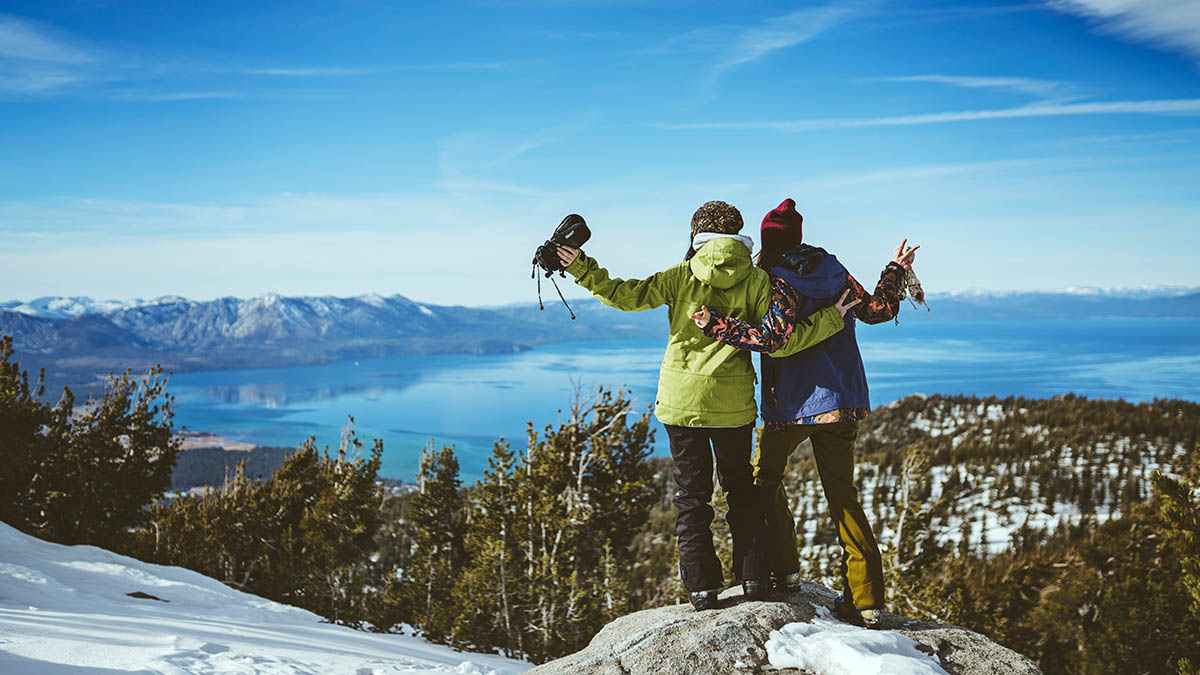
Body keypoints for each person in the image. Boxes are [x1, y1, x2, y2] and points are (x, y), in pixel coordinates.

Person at [553, 200, 858, 611]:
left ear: (697, 234)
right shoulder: (757, 280)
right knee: (741, 491)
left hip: (682, 404)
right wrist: (831, 319)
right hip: (732, 407)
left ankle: (702, 588)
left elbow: (623, 295)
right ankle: (752, 579)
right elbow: (780, 341)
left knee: (691, 497)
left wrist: (580, 266)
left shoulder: (681, 275)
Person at [690, 197, 917, 626]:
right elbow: (879, 311)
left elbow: (772, 338)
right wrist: (895, 271)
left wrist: (716, 324)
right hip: (842, 401)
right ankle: (865, 600)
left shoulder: (773, 279)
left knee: (766, 480)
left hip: (791, 405)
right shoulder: (833, 270)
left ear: (766, 240)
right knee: (843, 495)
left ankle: (786, 569)